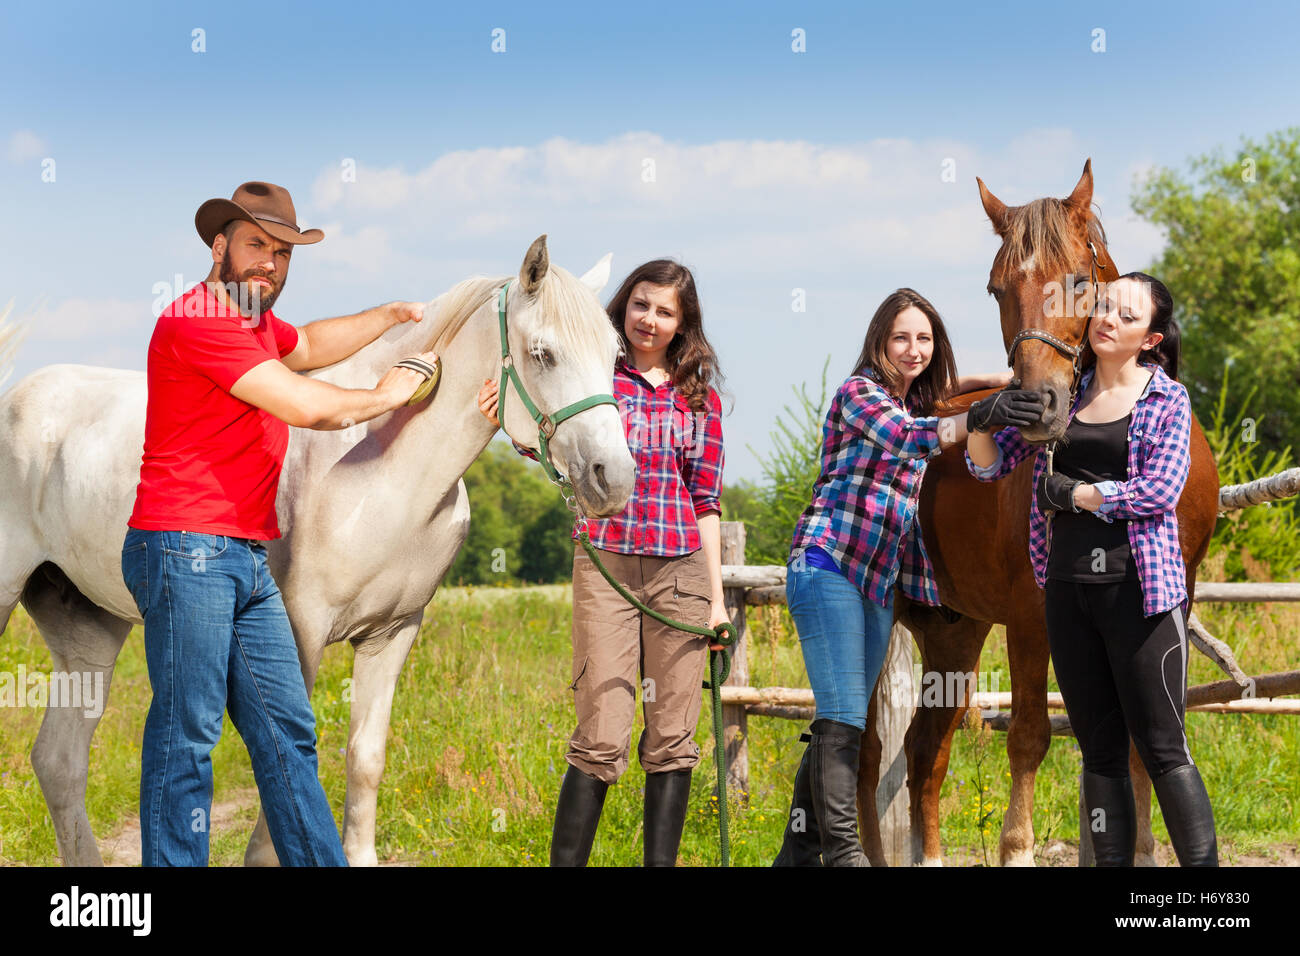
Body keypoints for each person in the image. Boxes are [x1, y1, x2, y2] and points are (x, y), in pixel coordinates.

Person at [120, 180, 440, 866]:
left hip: (242, 555)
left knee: (287, 731)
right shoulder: (199, 319)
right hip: (183, 547)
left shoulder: (255, 324)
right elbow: (304, 402)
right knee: (188, 735)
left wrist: (386, 315)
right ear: (219, 247)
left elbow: (314, 342)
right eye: (256, 246)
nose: (269, 263)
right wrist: (386, 394)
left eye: (284, 254)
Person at [476, 259, 726, 867]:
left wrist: (716, 601)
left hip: (681, 571)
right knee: (601, 735)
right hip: (606, 567)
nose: (650, 319)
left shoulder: (700, 398)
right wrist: (508, 422)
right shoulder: (599, 373)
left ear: (681, 322)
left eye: (665, 311)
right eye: (641, 304)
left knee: (673, 738)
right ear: (624, 305)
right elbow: (553, 430)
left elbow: (706, 501)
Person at [965, 272, 1216, 866]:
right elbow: (990, 467)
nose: (1108, 319)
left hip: (1142, 595)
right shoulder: (1065, 399)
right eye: (1104, 306)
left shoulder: (1166, 399)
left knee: (1163, 748)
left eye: (1127, 316)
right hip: (1068, 593)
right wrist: (982, 420)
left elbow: (1158, 491)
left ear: (1151, 339)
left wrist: (1077, 496)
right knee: (1099, 753)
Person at [773, 288, 1017, 866]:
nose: (913, 349)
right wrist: (983, 412)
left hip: (876, 581)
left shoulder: (919, 401)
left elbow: (954, 393)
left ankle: (797, 854)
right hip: (828, 563)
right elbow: (911, 440)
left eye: (925, 339)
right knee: (844, 715)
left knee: (842, 710)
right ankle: (845, 856)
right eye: (901, 337)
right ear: (879, 341)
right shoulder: (860, 395)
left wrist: (1014, 381)